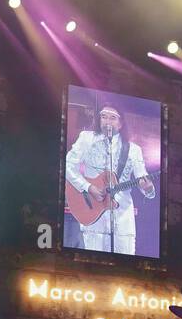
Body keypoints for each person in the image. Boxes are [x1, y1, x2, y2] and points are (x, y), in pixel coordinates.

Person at [65, 102, 154, 254]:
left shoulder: (134, 150)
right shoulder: (87, 139)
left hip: (122, 214)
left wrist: (148, 188)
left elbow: (144, 181)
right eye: (103, 117)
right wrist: (88, 187)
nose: (107, 121)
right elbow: (67, 165)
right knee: (93, 261)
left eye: (112, 118)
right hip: (92, 209)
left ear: (120, 124)